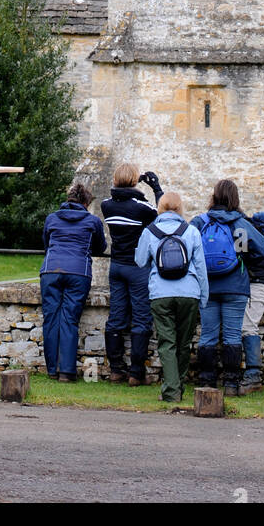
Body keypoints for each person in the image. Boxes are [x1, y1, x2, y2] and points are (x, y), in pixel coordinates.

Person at [190, 179, 264, 396]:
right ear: (235, 198)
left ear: (213, 196)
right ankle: (231, 384)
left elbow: (186, 245)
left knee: (208, 335)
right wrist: (243, 257)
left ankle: (206, 382)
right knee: (232, 336)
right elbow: (262, 249)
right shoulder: (240, 223)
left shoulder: (200, 221)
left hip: (207, 287)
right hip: (235, 286)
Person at [135, 191, 208, 404]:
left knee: (167, 343)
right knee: (184, 344)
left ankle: (171, 392)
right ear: (179, 208)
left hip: (161, 293)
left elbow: (140, 261)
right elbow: (201, 267)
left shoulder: (150, 231)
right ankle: (178, 387)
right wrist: (203, 297)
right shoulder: (192, 231)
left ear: (160, 208)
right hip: (189, 293)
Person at [100, 163, 162, 385]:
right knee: (141, 318)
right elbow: (162, 214)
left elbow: (118, 198)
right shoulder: (141, 207)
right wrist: (156, 188)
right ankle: (136, 372)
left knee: (116, 317)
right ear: (135, 180)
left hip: (116, 266)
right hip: (137, 267)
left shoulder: (106, 205)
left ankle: (116, 369)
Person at [40, 183, 107, 381]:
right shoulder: (92, 221)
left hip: (51, 269)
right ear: (86, 202)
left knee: (51, 318)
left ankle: (52, 369)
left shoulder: (52, 218)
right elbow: (100, 247)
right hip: (79, 271)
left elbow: (46, 243)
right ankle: (67, 371)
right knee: (69, 318)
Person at [240, 208, 264, 394]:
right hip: (259, 283)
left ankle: (253, 375)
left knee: (248, 326)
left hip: (258, 284)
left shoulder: (247, 233)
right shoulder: (254, 231)